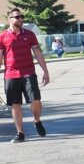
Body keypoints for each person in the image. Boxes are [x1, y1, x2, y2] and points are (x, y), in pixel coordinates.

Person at [0, 8, 50, 142]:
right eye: (17, 17)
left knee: (36, 100)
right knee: (15, 104)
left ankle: (37, 120)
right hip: (11, 75)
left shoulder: (29, 34)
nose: (21, 19)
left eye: (22, 16)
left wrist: (45, 71)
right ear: (10, 19)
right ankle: (20, 133)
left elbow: (38, 53)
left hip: (28, 72)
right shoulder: (3, 36)